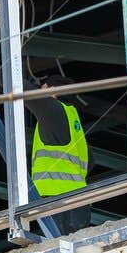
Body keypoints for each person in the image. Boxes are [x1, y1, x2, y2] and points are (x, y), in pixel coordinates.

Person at [24, 73, 90, 231]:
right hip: (78, 200)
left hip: (58, 200)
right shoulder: (72, 118)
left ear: (52, 91)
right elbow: (91, 160)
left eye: (42, 89)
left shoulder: (55, 111)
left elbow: (26, 93)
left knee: (58, 245)